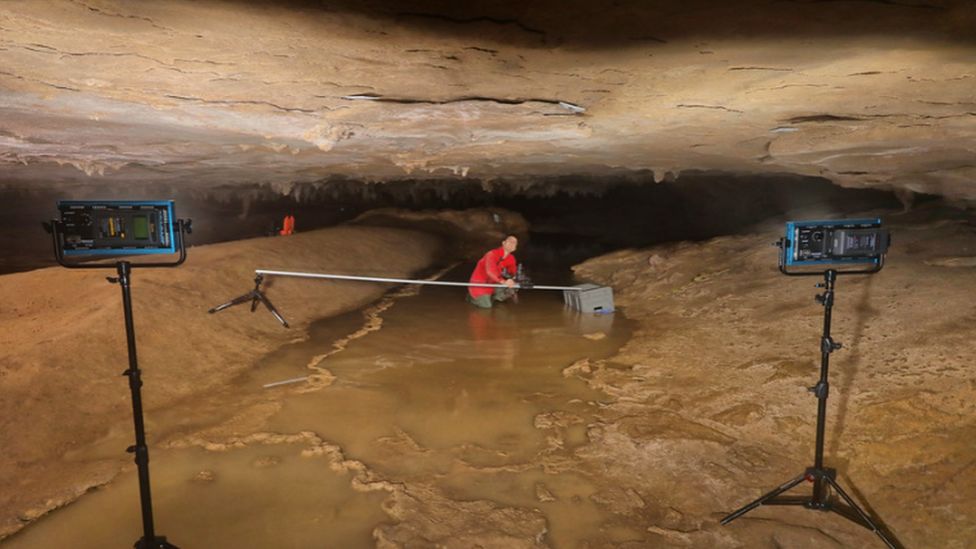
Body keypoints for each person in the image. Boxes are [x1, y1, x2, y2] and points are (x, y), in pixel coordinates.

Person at [467, 235, 520, 308]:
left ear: (515, 248)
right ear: (503, 243)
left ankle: (495, 297)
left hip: (493, 283)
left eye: (514, 243)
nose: (512, 243)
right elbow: (490, 272)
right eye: (510, 241)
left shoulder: (511, 258)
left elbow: (512, 272)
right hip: (480, 283)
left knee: (515, 285)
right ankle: (470, 297)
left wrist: (513, 279)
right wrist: (504, 282)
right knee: (486, 306)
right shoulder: (491, 254)